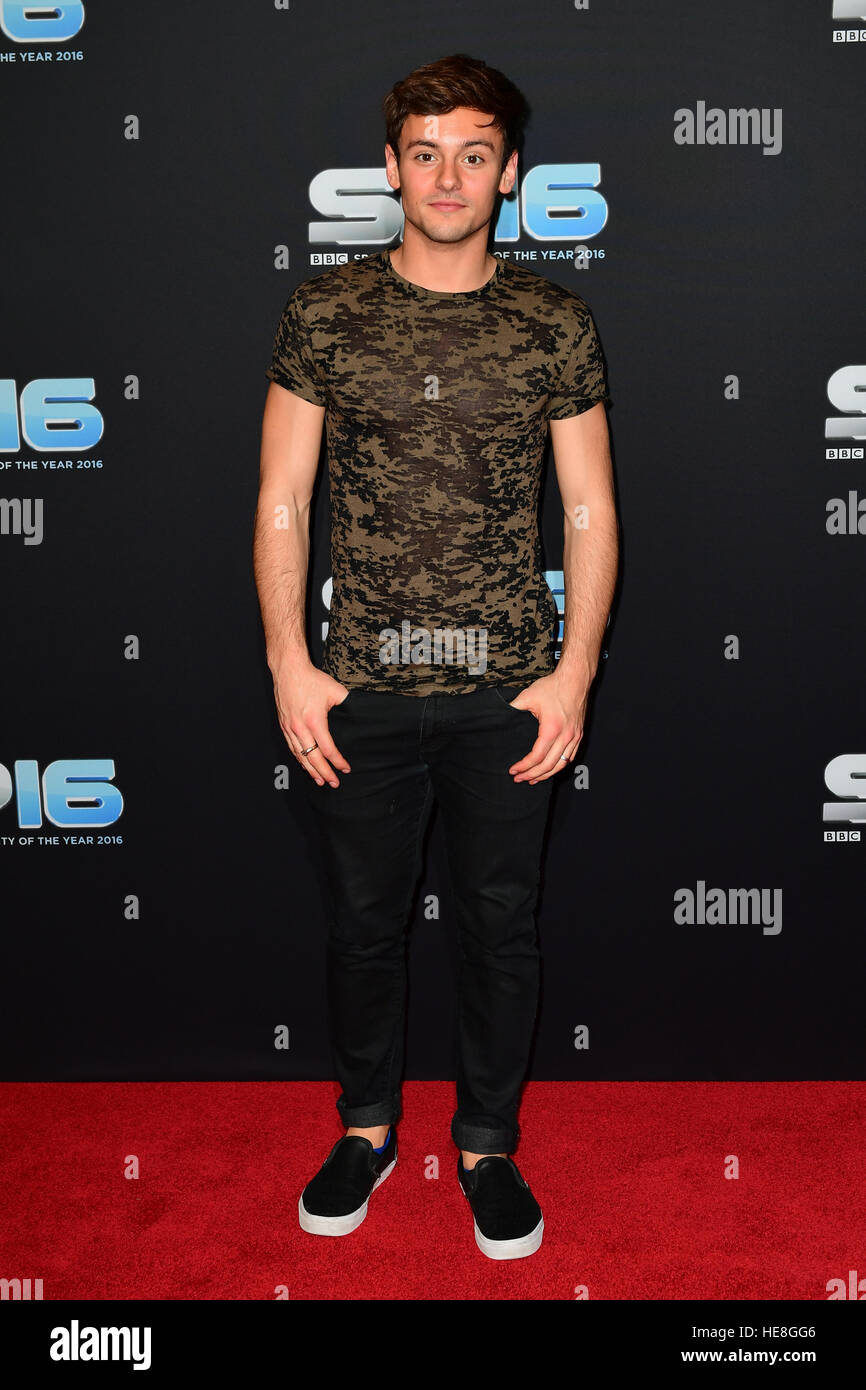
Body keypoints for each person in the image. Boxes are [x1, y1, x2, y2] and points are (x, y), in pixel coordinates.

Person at [254, 53, 618, 1261]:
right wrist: (287, 664)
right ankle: (364, 1128)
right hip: (355, 686)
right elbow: (282, 498)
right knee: (361, 926)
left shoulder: (551, 319)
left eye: (474, 151)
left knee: (497, 929)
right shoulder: (325, 310)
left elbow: (587, 510)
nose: (448, 173)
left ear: (508, 174)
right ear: (393, 168)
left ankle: (486, 1146)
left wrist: (569, 675)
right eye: (425, 150)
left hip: (506, 693)